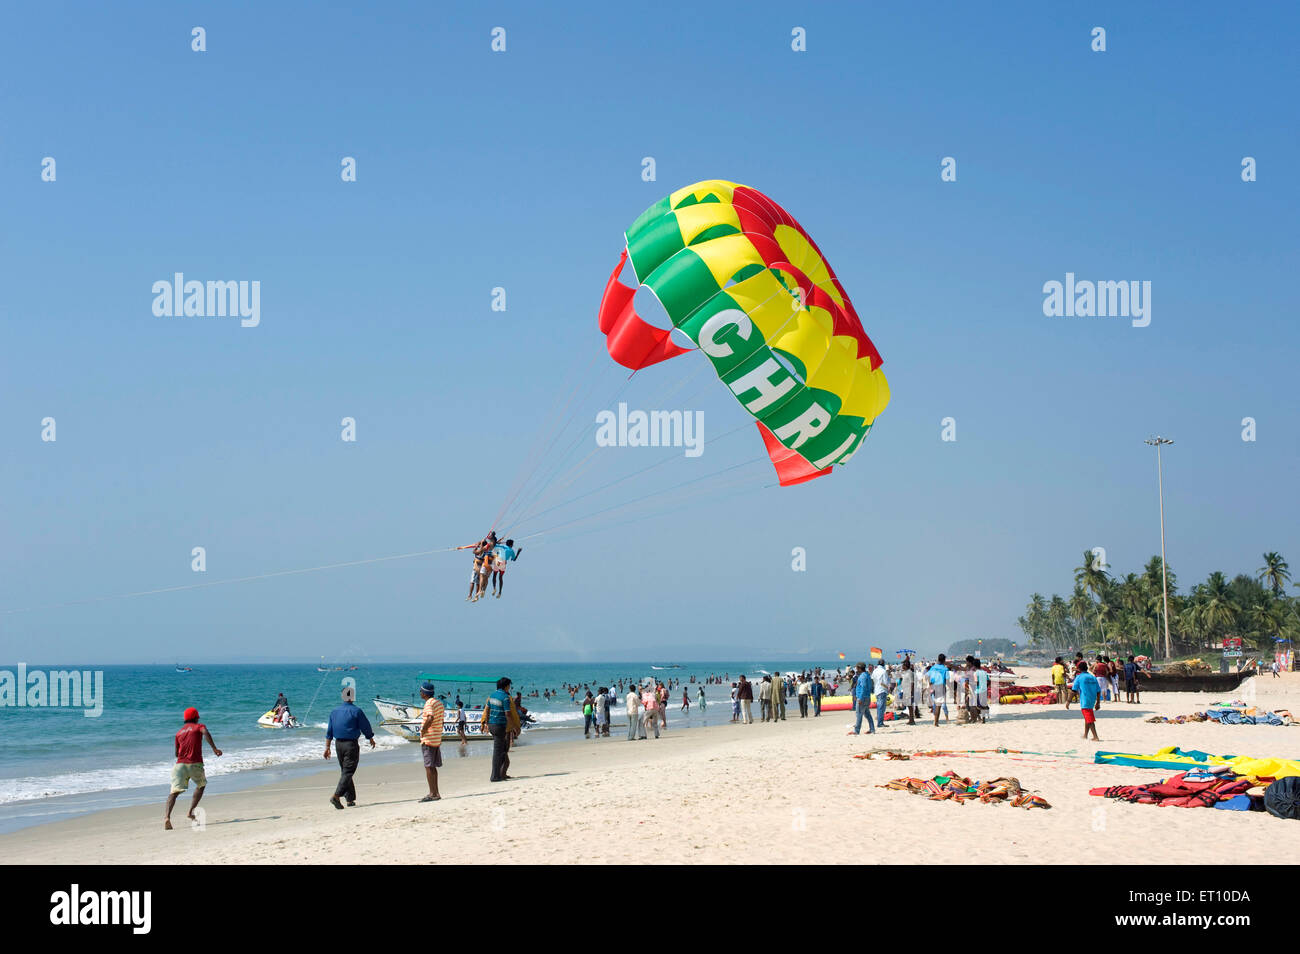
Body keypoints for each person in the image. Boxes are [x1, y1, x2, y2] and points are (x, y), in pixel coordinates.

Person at [165, 707, 221, 830]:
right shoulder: (199, 726)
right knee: (201, 785)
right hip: (195, 764)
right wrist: (214, 748)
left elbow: (176, 753)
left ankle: (167, 817)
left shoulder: (178, 733)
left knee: (173, 793)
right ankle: (190, 811)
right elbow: (205, 732)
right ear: (195, 718)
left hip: (179, 765)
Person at [324, 686, 377, 809]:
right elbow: (365, 727)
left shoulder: (334, 711)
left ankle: (350, 799)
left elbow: (329, 731)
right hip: (350, 745)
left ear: (343, 697)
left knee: (345, 772)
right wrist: (370, 738)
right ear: (352, 697)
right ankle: (336, 796)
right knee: (348, 772)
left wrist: (327, 747)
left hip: (338, 745)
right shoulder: (356, 711)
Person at [481, 677, 518, 781]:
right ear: (506, 686)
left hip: (492, 725)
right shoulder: (505, 697)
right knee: (498, 751)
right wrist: (514, 726)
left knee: (501, 750)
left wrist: (487, 722)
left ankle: (501, 773)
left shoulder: (492, 696)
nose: (509, 688)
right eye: (509, 686)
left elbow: (487, 709)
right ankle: (495, 776)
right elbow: (508, 714)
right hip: (500, 725)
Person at [417, 681, 444, 802]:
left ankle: (432, 793)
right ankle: (436, 792)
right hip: (436, 737)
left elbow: (430, 717)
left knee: (428, 766)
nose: (420, 693)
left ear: (424, 693)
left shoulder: (428, 703)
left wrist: (423, 730)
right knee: (433, 767)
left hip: (428, 738)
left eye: (421, 691)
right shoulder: (438, 703)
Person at [1072, 662, 1102, 741]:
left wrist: (1068, 701)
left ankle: (1095, 736)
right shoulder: (1093, 677)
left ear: (1079, 669)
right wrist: (1098, 702)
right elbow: (1098, 691)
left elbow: (1074, 690)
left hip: (1085, 700)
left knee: (1090, 719)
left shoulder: (1079, 677)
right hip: (1092, 700)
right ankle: (1085, 735)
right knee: (1087, 718)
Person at [852, 662, 875, 735]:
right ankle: (872, 729)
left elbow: (863, 687)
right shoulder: (867, 675)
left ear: (859, 668)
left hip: (863, 697)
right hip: (867, 697)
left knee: (859, 714)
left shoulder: (862, 676)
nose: (856, 669)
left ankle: (857, 731)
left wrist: (860, 698)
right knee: (867, 714)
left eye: (857, 668)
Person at [928, 654, 950, 726]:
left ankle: (935, 721)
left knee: (936, 704)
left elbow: (929, 678)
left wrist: (931, 686)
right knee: (939, 705)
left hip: (934, 686)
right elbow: (947, 680)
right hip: (941, 686)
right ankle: (936, 722)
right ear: (944, 660)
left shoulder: (933, 668)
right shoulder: (945, 669)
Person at [871, 660, 890, 730]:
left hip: (876, 690)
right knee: (881, 707)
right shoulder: (883, 671)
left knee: (879, 706)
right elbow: (885, 682)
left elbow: (873, 679)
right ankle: (880, 723)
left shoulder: (875, 670)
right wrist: (888, 688)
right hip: (882, 690)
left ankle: (880, 721)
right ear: (884, 664)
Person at [898, 658, 917, 725]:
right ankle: (911, 719)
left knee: (910, 706)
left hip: (909, 691)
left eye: (903, 665)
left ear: (906, 666)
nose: (902, 666)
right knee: (908, 706)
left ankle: (912, 720)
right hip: (906, 691)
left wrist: (911, 693)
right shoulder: (906, 672)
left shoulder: (910, 673)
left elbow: (912, 683)